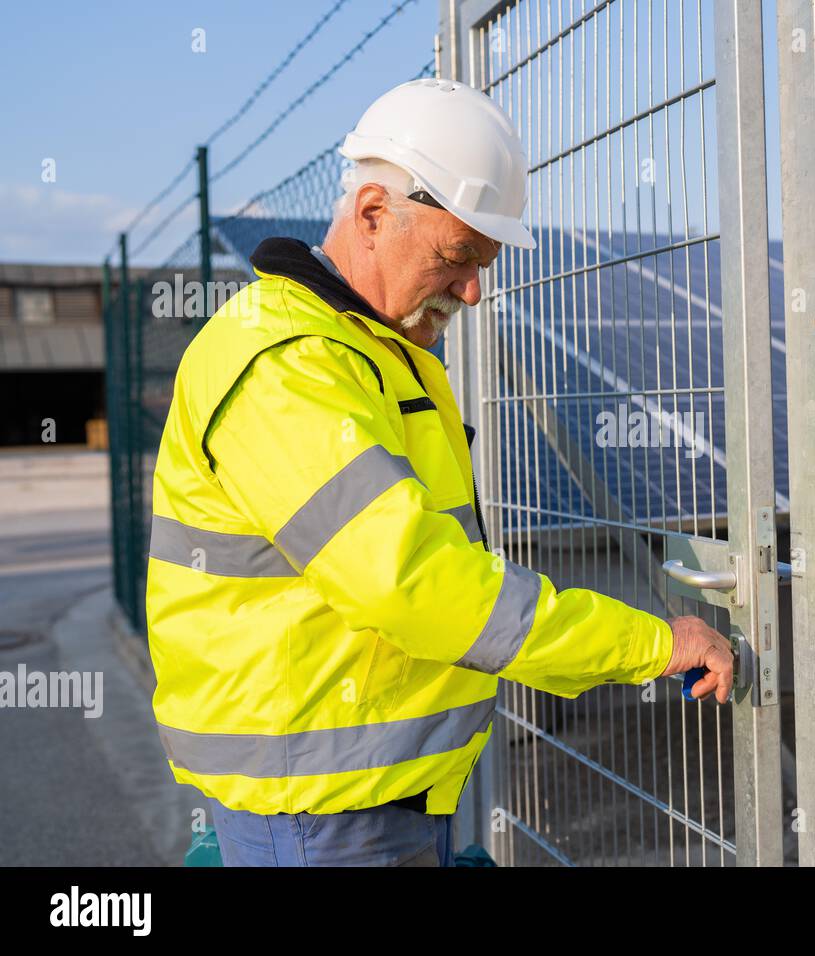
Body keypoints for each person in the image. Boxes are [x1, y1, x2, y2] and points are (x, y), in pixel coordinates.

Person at [145, 79, 733, 867]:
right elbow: (414, 582)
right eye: (457, 258)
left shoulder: (372, 349)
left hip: (362, 805)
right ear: (373, 214)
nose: (473, 290)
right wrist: (648, 643)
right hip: (322, 822)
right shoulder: (287, 366)